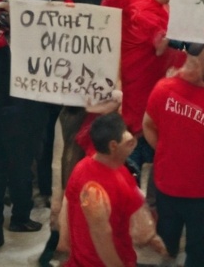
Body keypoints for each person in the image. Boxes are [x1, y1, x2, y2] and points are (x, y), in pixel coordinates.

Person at [141, 45, 204, 267]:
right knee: (199, 255)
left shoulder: (162, 89)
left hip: (168, 188)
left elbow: (148, 125)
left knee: (166, 246)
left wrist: (167, 150)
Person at [64, 113, 163, 267]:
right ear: (113, 146)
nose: (132, 140)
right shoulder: (100, 187)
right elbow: (102, 238)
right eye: (127, 138)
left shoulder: (86, 168)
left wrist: (151, 238)